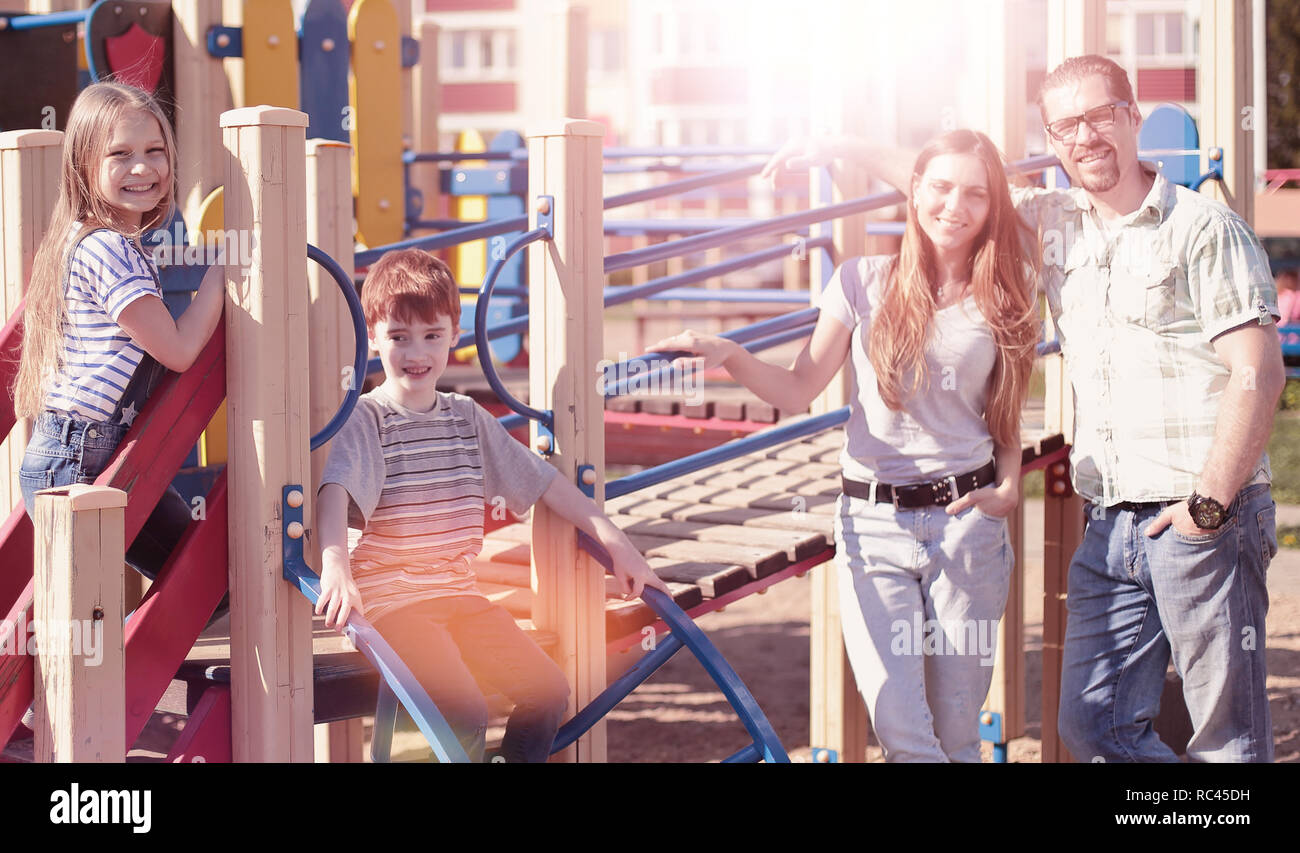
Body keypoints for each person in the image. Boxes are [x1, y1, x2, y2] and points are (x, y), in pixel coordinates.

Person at [765, 54, 1283, 762]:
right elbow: (945, 187)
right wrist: (839, 147)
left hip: (1200, 515)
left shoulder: (1201, 228)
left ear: (1133, 118)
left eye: (1101, 115)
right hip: (1113, 524)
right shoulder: (1056, 222)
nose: (1086, 136)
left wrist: (1211, 504)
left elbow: (1259, 371)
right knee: (1093, 728)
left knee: (1227, 740)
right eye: (1066, 125)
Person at [653, 129, 1041, 762]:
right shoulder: (861, 281)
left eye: (975, 193)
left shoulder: (1006, 292)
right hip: (873, 525)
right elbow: (799, 387)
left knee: (957, 735)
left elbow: (1005, 411)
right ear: (913, 191)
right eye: (940, 187)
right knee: (904, 735)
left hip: (967, 530)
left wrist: (1007, 484)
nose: (956, 206)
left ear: (993, 204)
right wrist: (731, 355)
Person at [315, 248, 669, 763]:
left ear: (454, 335)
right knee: (464, 708)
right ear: (373, 337)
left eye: (432, 335)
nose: (417, 352)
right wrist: (334, 565)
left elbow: (547, 484)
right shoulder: (369, 418)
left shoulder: (466, 418)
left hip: (458, 595)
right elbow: (334, 492)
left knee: (548, 690)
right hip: (393, 605)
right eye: (398, 337)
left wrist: (620, 547)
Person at [13, 81, 224, 576]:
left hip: (76, 449)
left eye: (155, 151)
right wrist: (221, 278)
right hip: (79, 457)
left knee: (190, 569)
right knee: (103, 601)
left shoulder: (87, 238)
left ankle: (137, 649)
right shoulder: (108, 249)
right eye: (120, 154)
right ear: (84, 166)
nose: (142, 168)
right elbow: (177, 350)